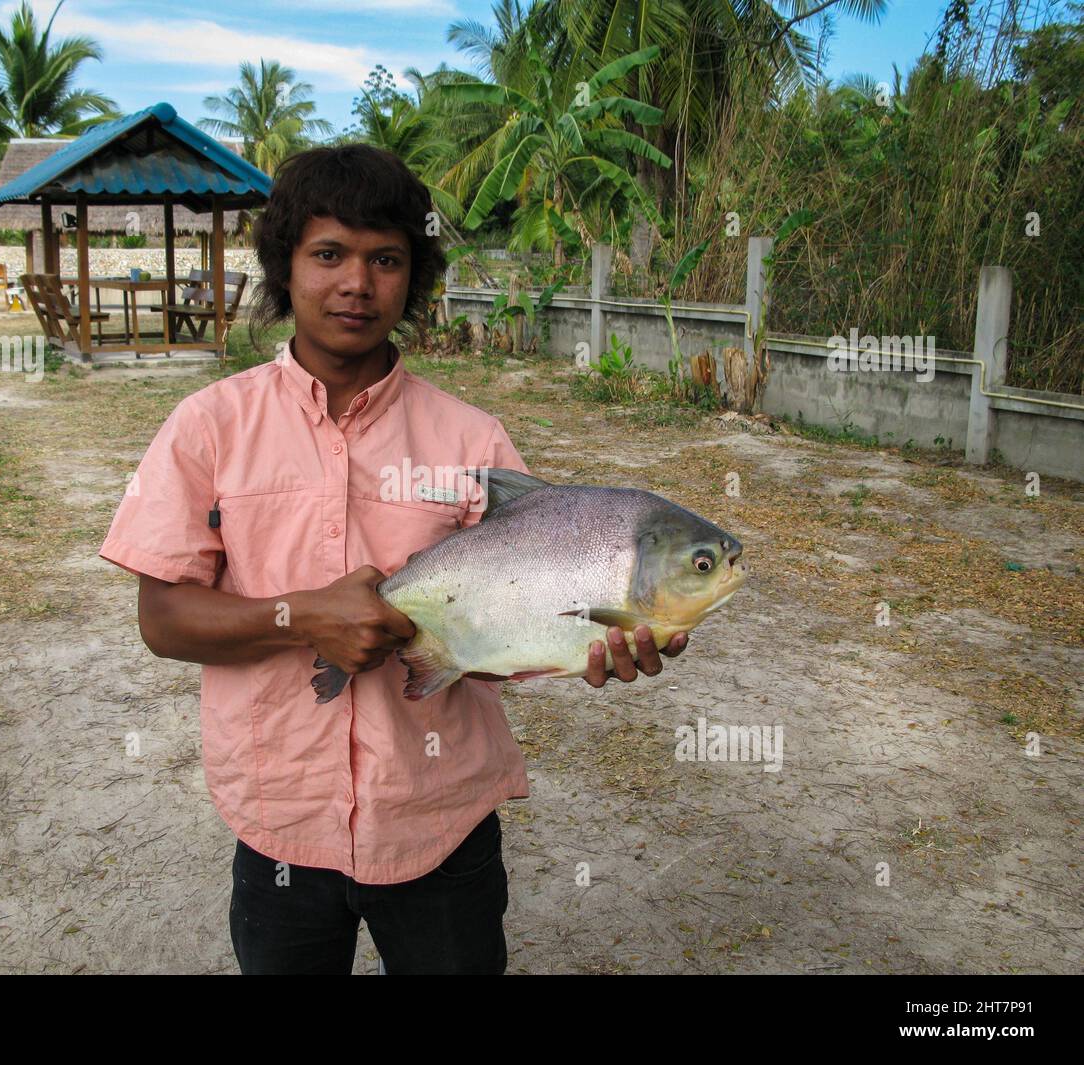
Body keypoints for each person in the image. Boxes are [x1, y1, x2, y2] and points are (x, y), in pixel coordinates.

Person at [98, 144, 687, 975]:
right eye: (329, 254)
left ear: (414, 277)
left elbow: (497, 639)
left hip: (438, 820)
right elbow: (162, 618)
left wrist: (591, 639)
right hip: (279, 824)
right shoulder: (208, 427)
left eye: (386, 260)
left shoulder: (471, 441)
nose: (357, 283)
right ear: (284, 265)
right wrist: (300, 615)